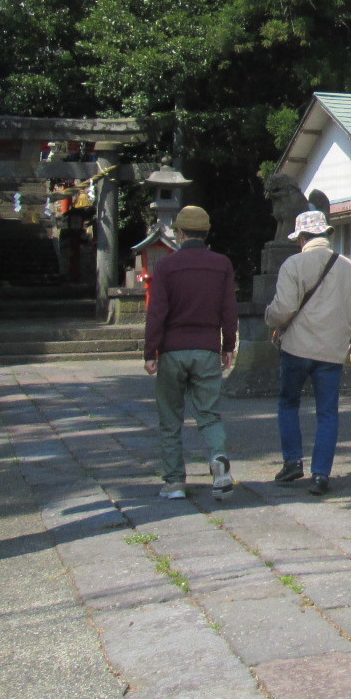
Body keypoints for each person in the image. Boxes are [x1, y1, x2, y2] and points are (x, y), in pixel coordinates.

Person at [266, 208, 351, 496]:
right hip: (332, 349)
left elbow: (283, 309)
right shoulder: (348, 266)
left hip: (297, 346)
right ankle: (321, 474)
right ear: (326, 234)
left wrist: (269, 317)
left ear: (302, 238)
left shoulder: (293, 264)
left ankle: (292, 461)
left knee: (288, 404)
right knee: (327, 413)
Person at [144, 205, 237, 500]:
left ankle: (174, 483)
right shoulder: (222, 264)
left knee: (170, 418)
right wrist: (228, 346)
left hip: (172, 350)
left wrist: (151, 350)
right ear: (206, 233)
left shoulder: (167, 267)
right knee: (208, 414)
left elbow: (157, 311)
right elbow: (229, 311)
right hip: (207, 348)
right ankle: (219, 459)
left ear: (180, 233)